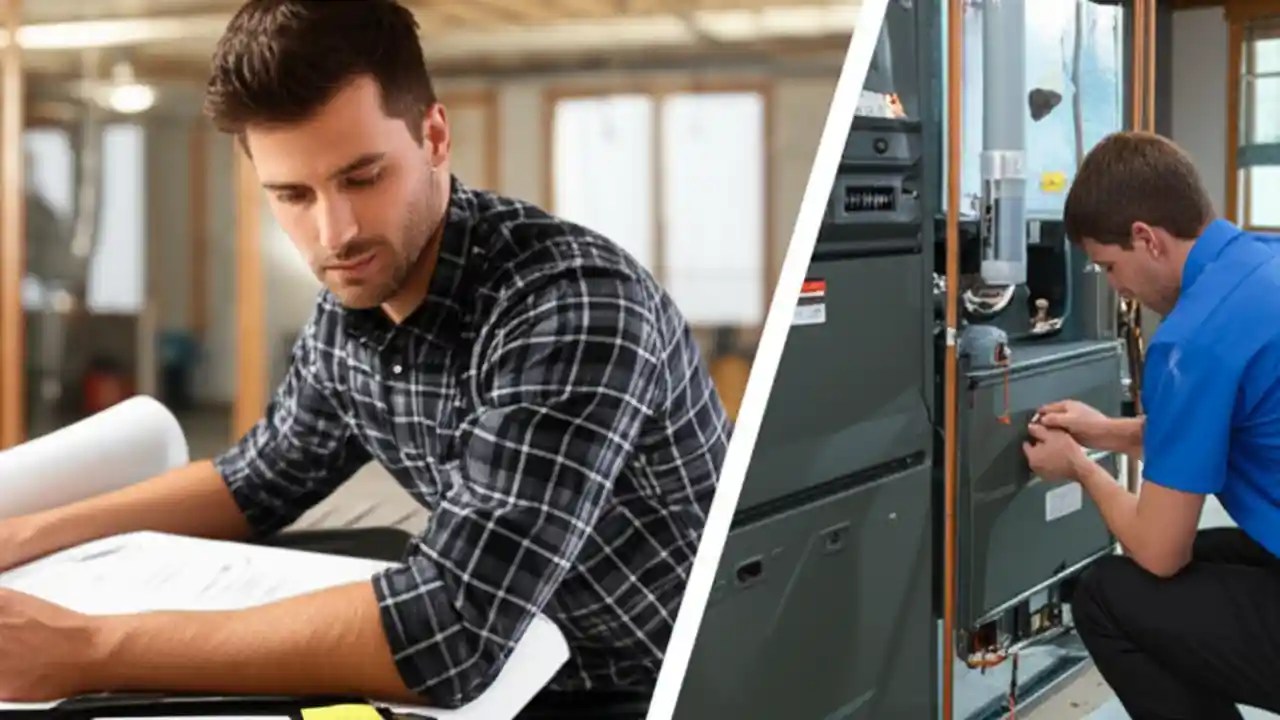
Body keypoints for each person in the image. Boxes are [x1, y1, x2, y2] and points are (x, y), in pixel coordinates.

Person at [0, 1, 730, 717]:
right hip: (519, 666)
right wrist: (24, 535)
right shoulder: (352, 307)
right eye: (291, 194)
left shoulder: (569, 308)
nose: (334, 232)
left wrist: (89, 648)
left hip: (661, 678)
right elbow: (260, 478)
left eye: (362, 177)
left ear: (434, 135)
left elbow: (452, 632)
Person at [1022, 130, 1280, 720]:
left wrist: (1080, 469)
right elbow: (1229, 431)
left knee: (1109, 594)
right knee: (1206, 558)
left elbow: (1160, 551)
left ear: (1147, 239)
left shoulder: (1193, 340)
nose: (1116, 287)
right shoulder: (1261, 263)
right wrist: (1108, 431)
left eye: (1110, 266)